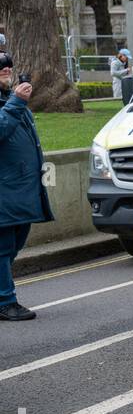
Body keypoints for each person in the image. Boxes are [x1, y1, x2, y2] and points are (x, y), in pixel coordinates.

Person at [0, 59, 52, 322]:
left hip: (18, 190)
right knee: (3, 247)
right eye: (0, 66)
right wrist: (17, 103)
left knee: (14, 243)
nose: (6, 68)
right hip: (4, 192)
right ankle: (5, 302)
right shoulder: (12, 103)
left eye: (8, 64)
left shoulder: (9, 99)